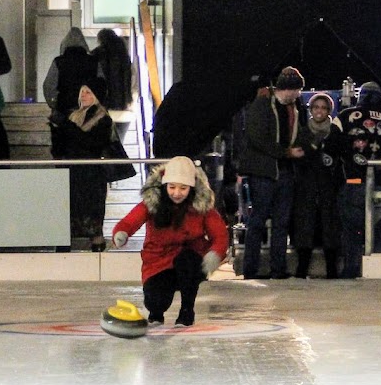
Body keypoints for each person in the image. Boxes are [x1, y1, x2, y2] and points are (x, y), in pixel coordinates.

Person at [110, 156, 229, 326]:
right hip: (158, 262)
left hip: (191, 261)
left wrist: (215, 254)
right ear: (164, 185)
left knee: (187, 259)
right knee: (156, 301)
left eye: (183, 188)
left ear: (192, 187)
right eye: (172, 187)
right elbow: (131, 221)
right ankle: (156, 312)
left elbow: (220, 234)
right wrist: (121, 233)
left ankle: (187, 310)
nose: (177, 193)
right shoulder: (153, 202)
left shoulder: (201, 207)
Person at [236, 66, 305, 279]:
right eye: (292, 90)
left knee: (281, 224)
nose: (295, 94)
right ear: (282, 89)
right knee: (257, 222)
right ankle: (251, 269)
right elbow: (258, 139)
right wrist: (287, 153)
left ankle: (278, 269)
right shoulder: (262, 105)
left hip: (284, 173)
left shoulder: (293, 108)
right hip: (264, 173)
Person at [335, 81, 381, 265]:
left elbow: (330, 148)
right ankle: (379, 272)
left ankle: (352, 270)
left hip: (352, 182)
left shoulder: (345, 117)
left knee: (351, 231)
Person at [51, 78, 115, 251]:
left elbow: (91, 143)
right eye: (82, 92)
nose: (84, 95)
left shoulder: (103, 119)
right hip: (71, 173)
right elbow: (61, 146)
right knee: (67, 219)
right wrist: (56, 131)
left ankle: (97, 255)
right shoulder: (74, 116)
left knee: (93, 221)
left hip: (91, 177)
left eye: (88, 92)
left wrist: (65, 125)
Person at [292, 92, 346, 278]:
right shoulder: (302, 132)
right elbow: (298, 158)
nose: (319, 111)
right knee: (305, 224)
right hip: (306, 185)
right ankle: (302, 267)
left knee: (329, 224)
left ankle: (332, 268)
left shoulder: (334, 132)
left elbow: (339, 159)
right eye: (316, 107)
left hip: (328, 185)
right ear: (310, 109)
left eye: (323, 108)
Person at [43, 27, 95, 116]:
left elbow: (48, 86)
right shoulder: (93, 62)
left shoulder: (58, 62)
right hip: (87, 110)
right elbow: (102, 85)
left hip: (64, 109)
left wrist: (54, 104)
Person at [92, 28, 134, 110]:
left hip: (103, 95)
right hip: (120, 96)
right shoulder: (122, 53)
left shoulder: (97, 53)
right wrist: (128, 96)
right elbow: (127, 77)